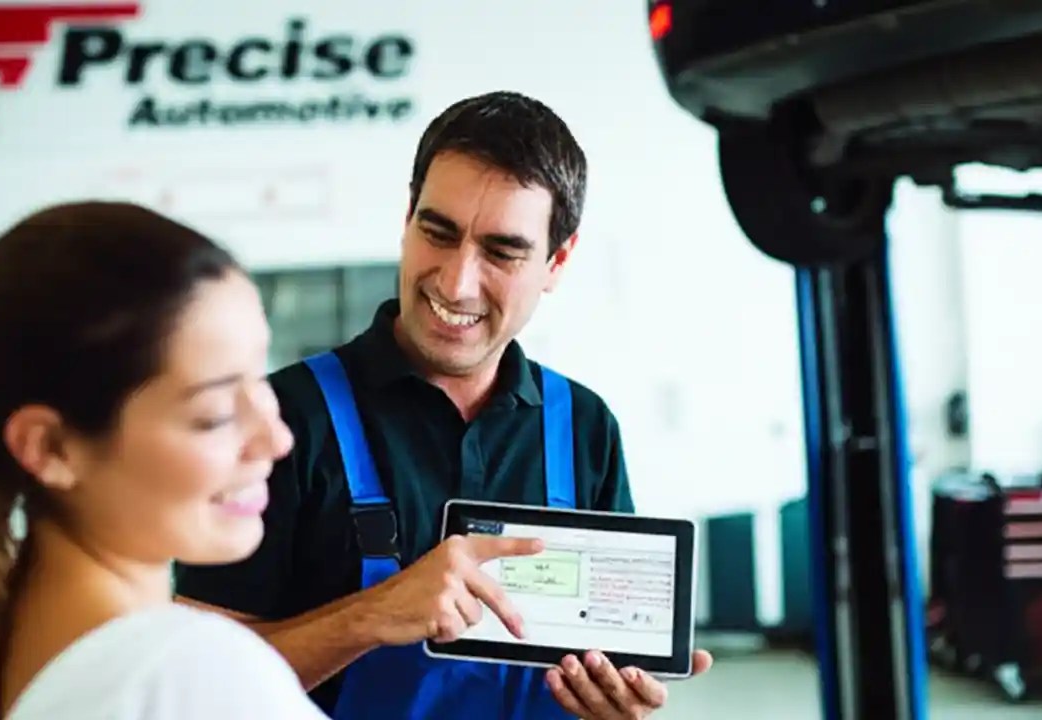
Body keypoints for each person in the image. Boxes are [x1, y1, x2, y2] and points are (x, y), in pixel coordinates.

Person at [175, 90, 713, 719]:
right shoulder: (279, 421)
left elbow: (600, 654)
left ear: (556, 261)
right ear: (408, 218)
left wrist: (609, 704)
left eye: (502, 251)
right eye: (439, 232)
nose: (456, 281)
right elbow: (194, 680)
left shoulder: (585, 428)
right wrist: (372, 615)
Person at [0, 202, 329, 720]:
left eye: (260, 376)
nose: (276, 440)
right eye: (212, 415)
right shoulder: (191, 673)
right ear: (50, 448)